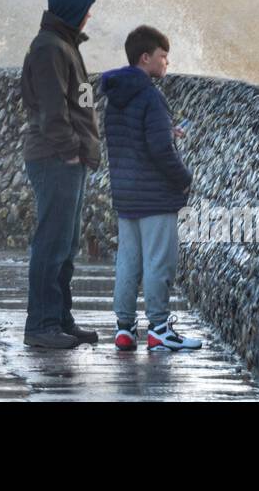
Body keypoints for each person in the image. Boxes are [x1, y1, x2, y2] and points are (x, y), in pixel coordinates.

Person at [98, 25, 202, 351]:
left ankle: (124, 329)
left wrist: (165, 129)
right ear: (146, 58)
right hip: (155, 195)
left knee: (128, 263)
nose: (166, 62)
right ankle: (159, 330)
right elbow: (160, 151)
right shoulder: (151, 96)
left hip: (127, 194)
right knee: (160, 262)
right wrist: (185, 179)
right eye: (162, 56)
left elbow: (129, 139)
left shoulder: (115, 96)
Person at [19, 0, 102, 348]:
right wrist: (70, 150)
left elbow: (79, 103)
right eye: (86, 9)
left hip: (70, 158)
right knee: (52, 243)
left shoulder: (65, 46)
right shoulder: (49, 48)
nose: (89, 16)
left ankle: (59, 318)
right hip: (55, 158)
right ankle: (40, 325)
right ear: (73, 8)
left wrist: (83, 151)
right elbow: (54, 110)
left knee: (66, 245)